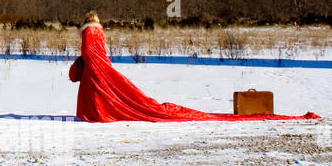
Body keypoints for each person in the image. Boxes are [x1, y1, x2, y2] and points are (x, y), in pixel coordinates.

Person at [69, 12, 319, 122]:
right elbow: (96, 55)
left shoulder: (88, 33)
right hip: (98, 73)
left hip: (95, 75)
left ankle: (97, 112)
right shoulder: (97, 33)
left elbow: (90, 56)